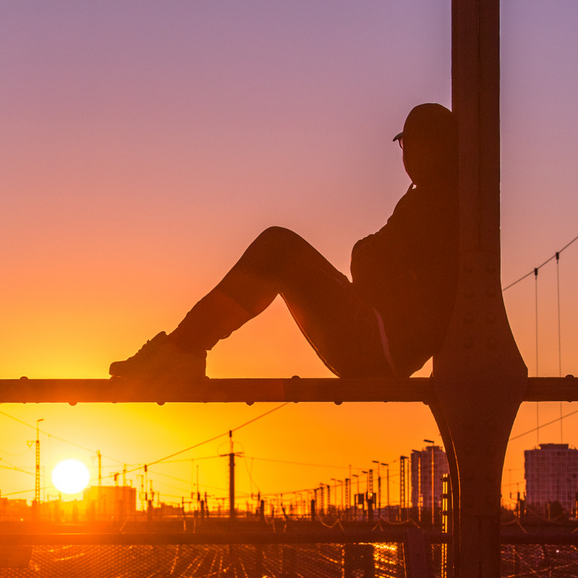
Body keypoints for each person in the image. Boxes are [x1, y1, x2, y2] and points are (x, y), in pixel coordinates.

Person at [110, 103, 457, 379]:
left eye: (407, 144)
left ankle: (181, 352)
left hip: (378, 342)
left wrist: (367, 256)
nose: (405, 155)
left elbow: (367, 263)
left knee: (278, 248)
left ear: (426, 147)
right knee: (279, 247)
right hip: (386, 346)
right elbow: (376, 265)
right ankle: (181, 350)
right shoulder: (443, 201)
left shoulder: (430, 202)